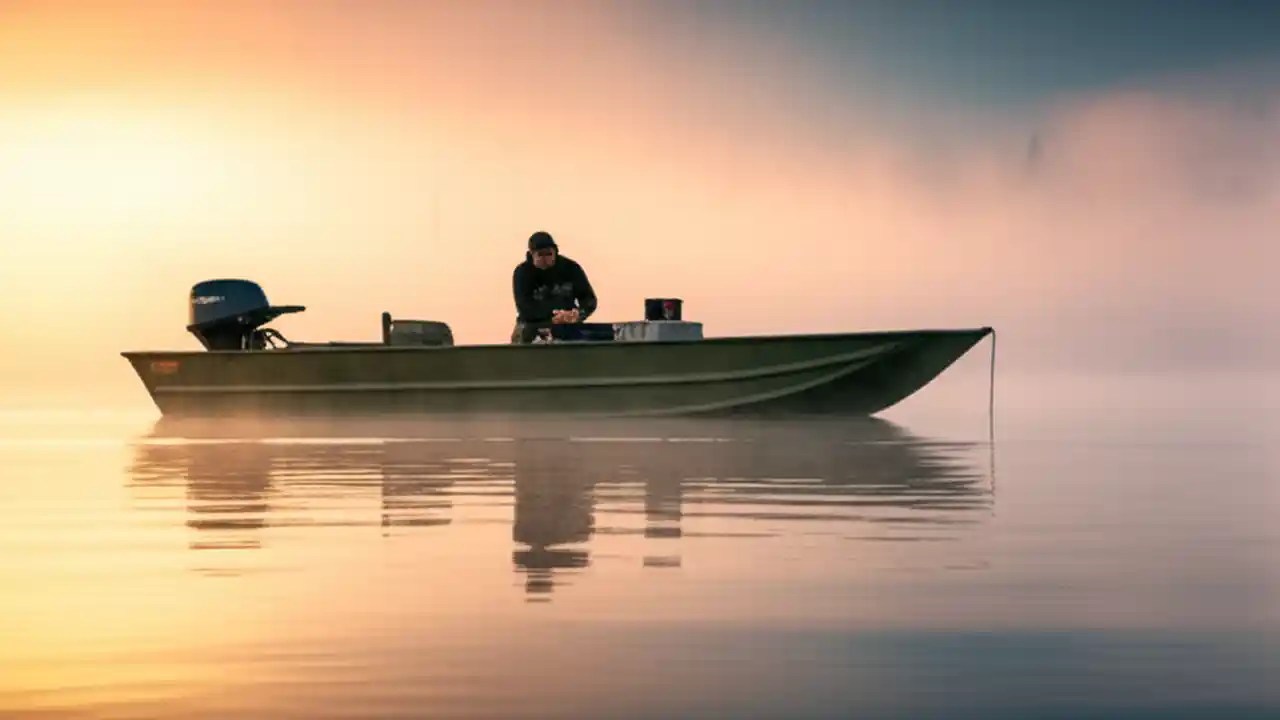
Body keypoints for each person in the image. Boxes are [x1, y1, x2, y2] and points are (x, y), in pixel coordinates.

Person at [511, 231, 598, 343]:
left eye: (549, 254)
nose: (545, 259)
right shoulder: (522, 273)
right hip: (531, 327)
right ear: (532, 254)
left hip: (568, 327)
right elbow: (524, 306)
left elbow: (589, 299)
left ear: (555, 252)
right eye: (540, 255)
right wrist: (553, 316)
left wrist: (578, 314)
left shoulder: (571, 268)